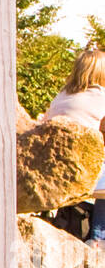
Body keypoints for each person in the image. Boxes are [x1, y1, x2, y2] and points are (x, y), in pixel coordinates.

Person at [46, 45, 105, 241]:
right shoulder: (100, 95)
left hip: (52, 168)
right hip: (81, 171)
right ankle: (99, 241)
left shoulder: (61, 96)